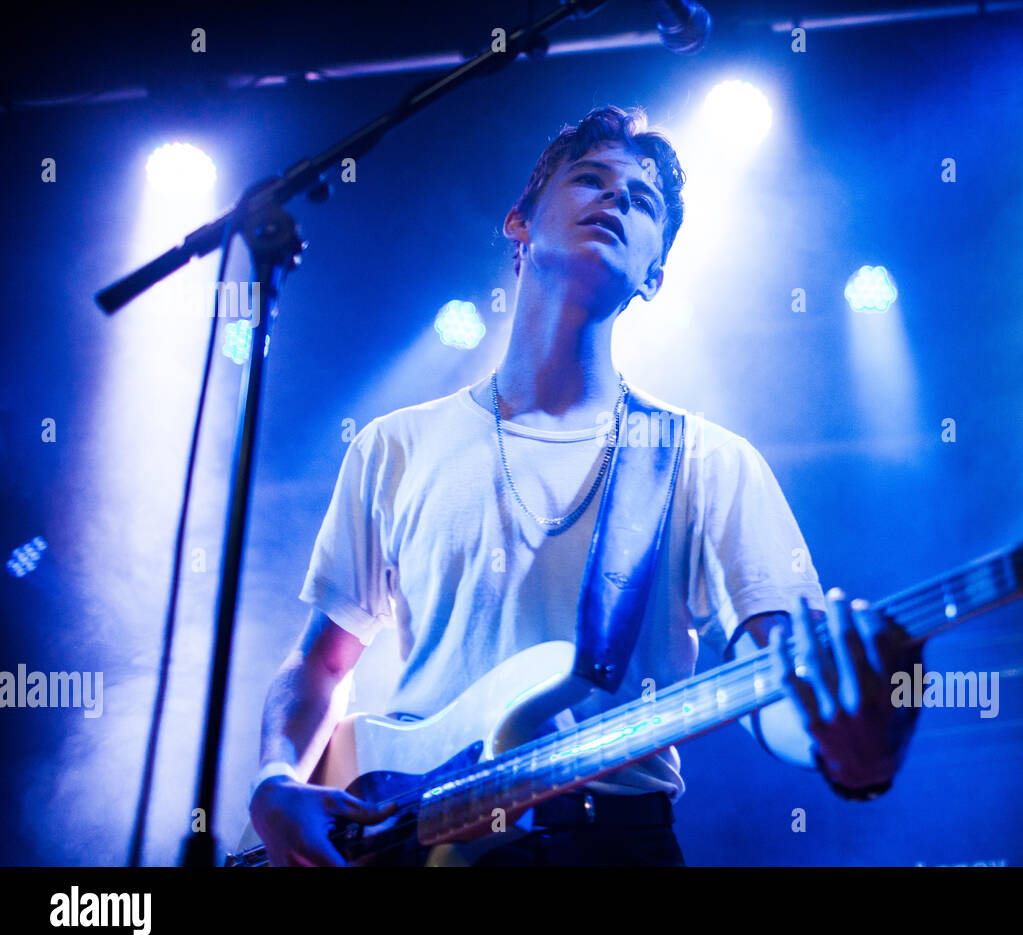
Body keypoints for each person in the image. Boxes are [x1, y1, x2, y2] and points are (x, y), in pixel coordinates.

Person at [247, 105, 926, 866]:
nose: (616, 200)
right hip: (400, 835)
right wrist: (276, 779)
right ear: (519, 224)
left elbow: (783, 677)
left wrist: (858, 741)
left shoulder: (708, 460)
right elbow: (321, 663)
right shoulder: (392, 446)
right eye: (591, 180)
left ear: (655, 275)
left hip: (607, 845)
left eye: (643, 203)